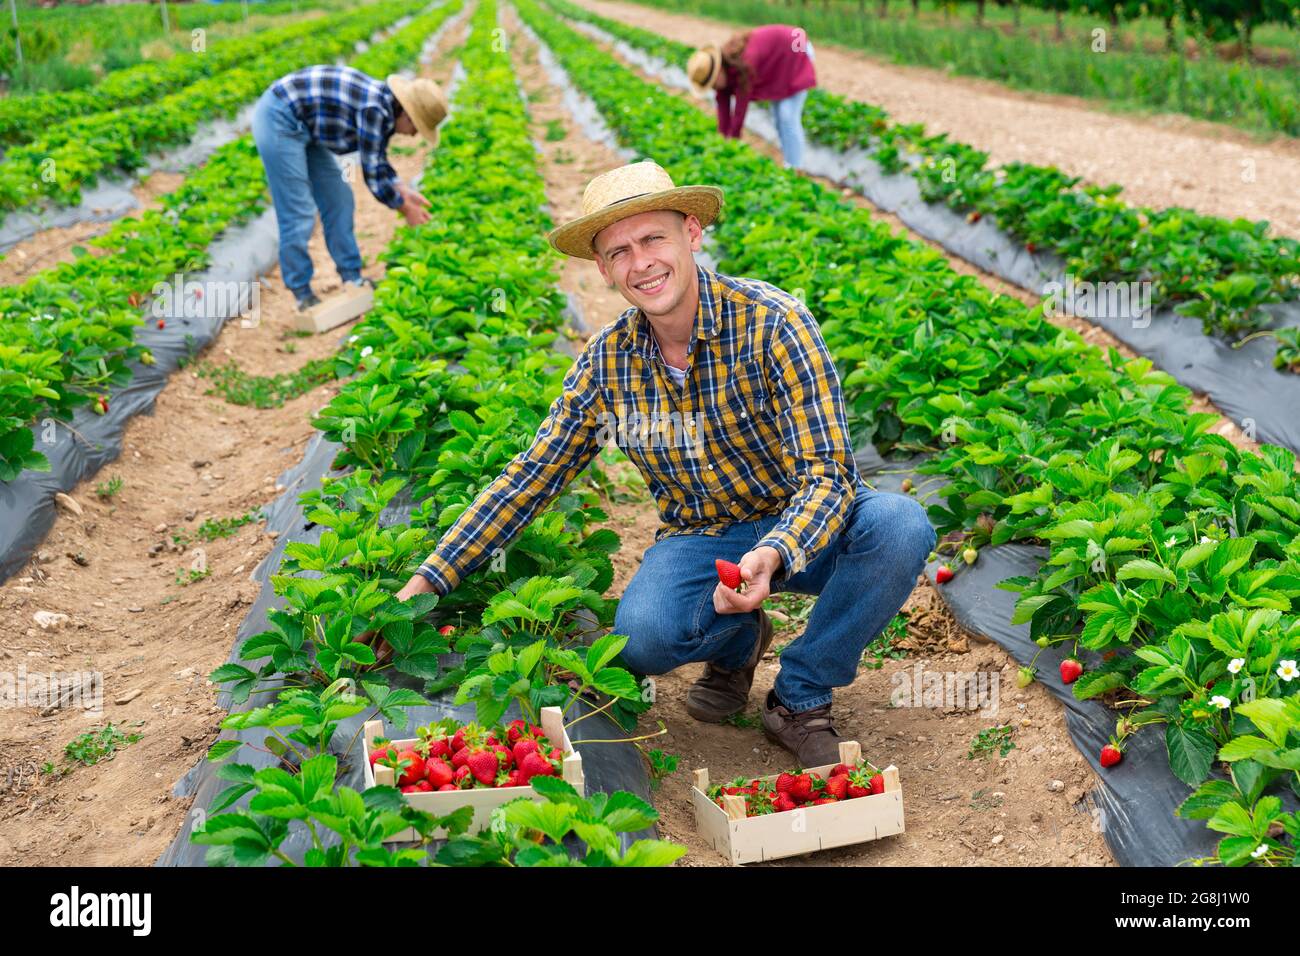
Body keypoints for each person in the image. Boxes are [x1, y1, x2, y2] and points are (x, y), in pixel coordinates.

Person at [393, 161, 934, 766]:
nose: (641, 262)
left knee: (899, 525)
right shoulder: (609, 362)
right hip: (703, 537)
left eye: (654, 238)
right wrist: (425, 584)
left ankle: (800, 695)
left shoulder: (775, 323)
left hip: (807, 522)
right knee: (646, 637)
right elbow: (532, 476)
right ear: (602, 269)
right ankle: (737, 642)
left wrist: (775, 552)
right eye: (619, 251)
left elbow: (829, 475)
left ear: (692, 233)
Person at [251, 66, 447, 312]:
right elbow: (373, 175)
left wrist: (401, 189)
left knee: (339, 199)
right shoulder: (375, 109)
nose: (413, 135)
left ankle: (352, 278)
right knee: (298, 210)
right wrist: (405, 208)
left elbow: (377, 158)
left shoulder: (385, 108)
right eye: (417, 127)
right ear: (407, 115)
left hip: (309, 127)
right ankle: (302, 293)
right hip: (280, 117)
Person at [687, 26, 816, 170]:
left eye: (713, 82)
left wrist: (733, 142)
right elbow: (723, 111)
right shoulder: (723, 79)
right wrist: (723, 143)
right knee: (777, 117)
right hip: (778, 62)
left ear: (719, 70)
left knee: (787, 116)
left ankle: (795, 168)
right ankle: (789, 162)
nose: (713, 87)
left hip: (795, 48)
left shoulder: (746, 63)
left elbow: (740, 110)